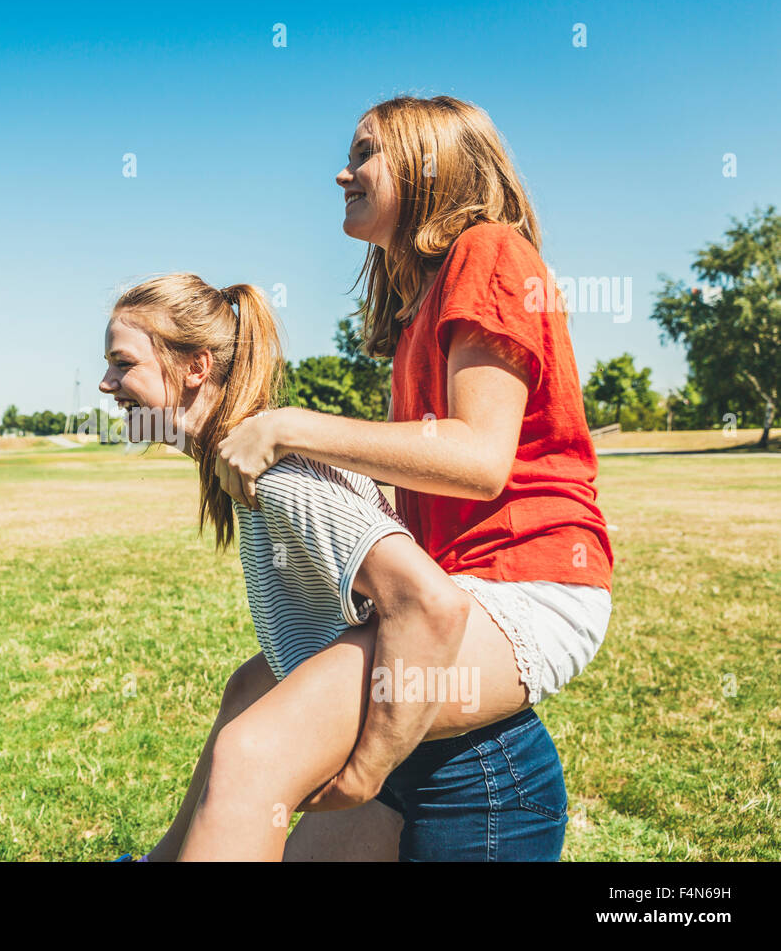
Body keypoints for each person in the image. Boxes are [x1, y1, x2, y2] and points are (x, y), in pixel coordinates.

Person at [109, 95, 613, 861]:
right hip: (468, 585)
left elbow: (480, 462)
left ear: (430, 164)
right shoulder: (422, 305)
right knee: (251, 690)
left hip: (531, 583)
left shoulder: (490, 252)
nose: (342, 171)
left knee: (255, 752)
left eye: (365, 153)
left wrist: (288, 426)